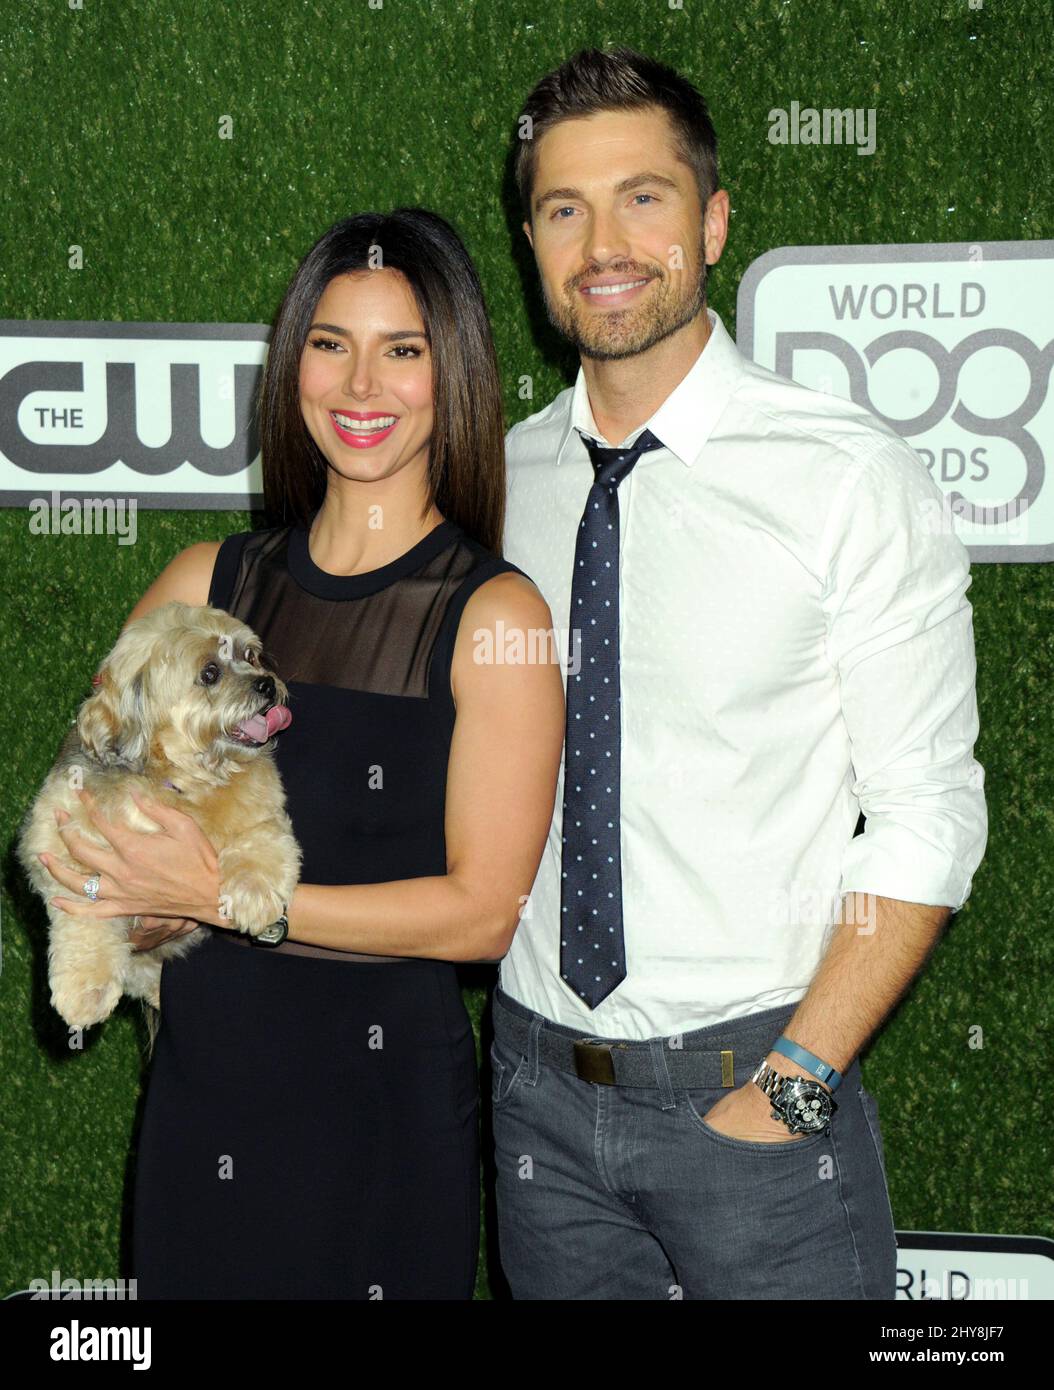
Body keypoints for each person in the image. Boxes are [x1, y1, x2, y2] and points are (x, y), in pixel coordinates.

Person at [489, 46, 988, 1300]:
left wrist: (792, 1083)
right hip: (534, 1095)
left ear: (711, 221)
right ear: (533, 241)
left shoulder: (844, 475)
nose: (603, 241)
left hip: (755, 1096)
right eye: (564, 207)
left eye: (642, 197)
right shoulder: (495, 482)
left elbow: (928, 812)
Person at [42, 208, 566, 1299]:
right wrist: (127, 912)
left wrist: (233, 896)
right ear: (292, 367)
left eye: (403, 350)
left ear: (452, 371)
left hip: (381, 1123)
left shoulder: (492, 613)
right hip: (205, 1101)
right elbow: (78, 810)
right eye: (330, 344)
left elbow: (481, 914)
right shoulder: (203, 583)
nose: (361, 385)